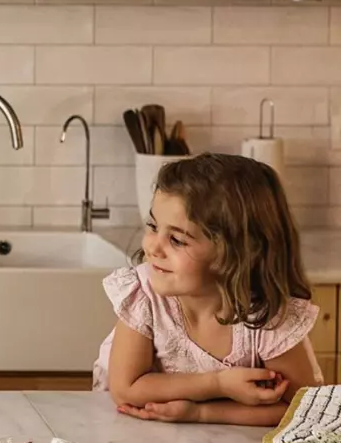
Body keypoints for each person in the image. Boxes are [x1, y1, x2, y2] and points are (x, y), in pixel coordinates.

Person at [93, 153, 322, 427]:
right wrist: (218, 384)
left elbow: (305, 409)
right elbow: (127, 389)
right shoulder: (145, 295)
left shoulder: (267, 318)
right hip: (129, 438)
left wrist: (200, 413)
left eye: (177, 240)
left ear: (237, 252)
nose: (152, 247)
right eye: (153, 226)